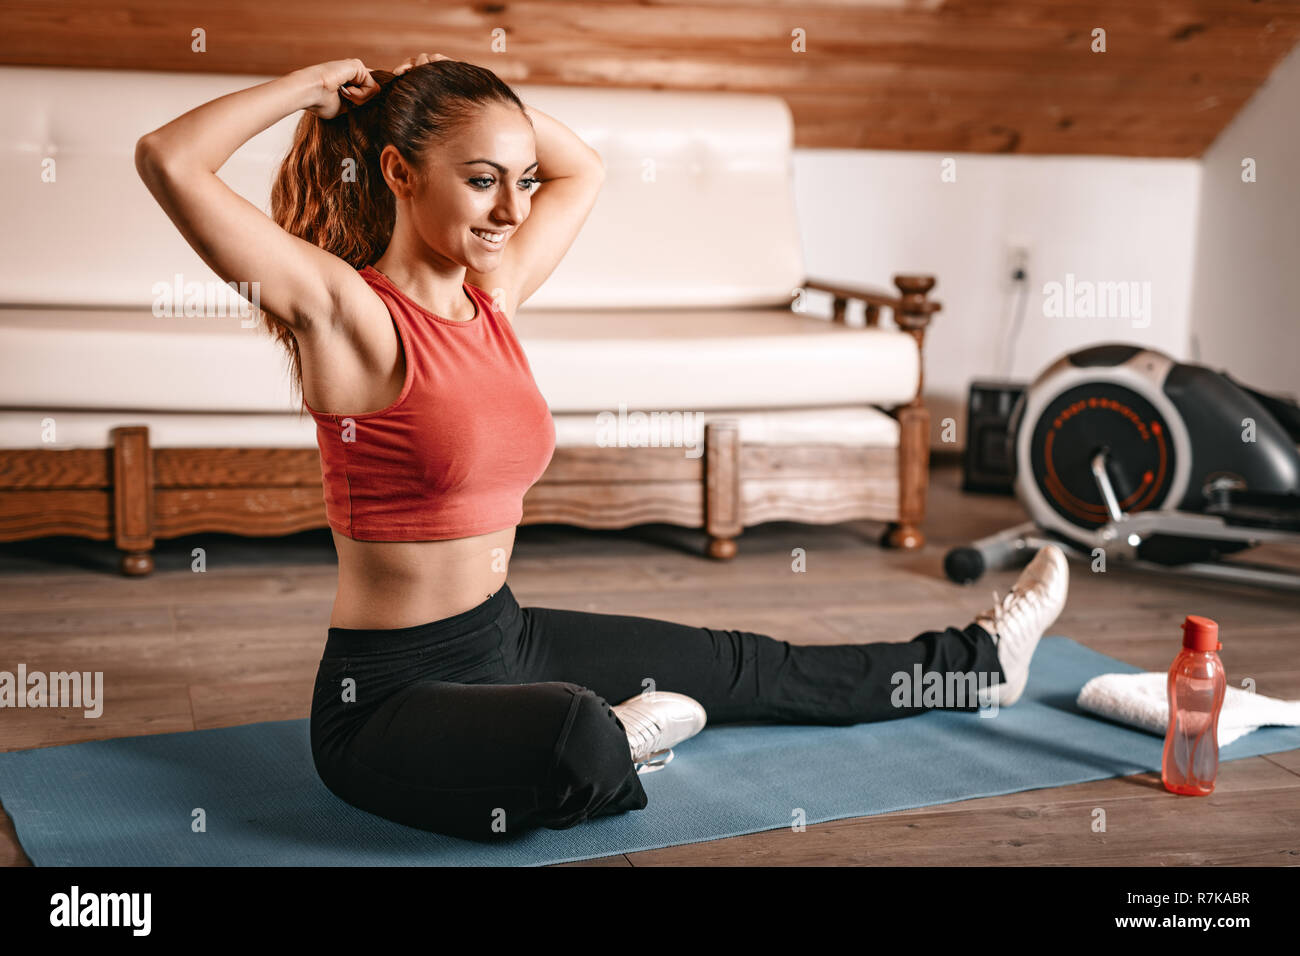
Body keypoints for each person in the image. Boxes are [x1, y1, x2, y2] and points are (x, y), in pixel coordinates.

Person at [134, 54, 1070, 843]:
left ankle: (973, 660)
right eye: (479, 178)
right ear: (396, 173)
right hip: (385, 700)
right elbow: (168, 158)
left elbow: (582, 168)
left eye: (517, 178)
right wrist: (308, 86)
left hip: (504, 634)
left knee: (736, 660)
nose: (509, 207)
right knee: (573, 735)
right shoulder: (348, 314)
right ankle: (618, 743)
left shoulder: (492, 297)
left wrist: (456, 98)